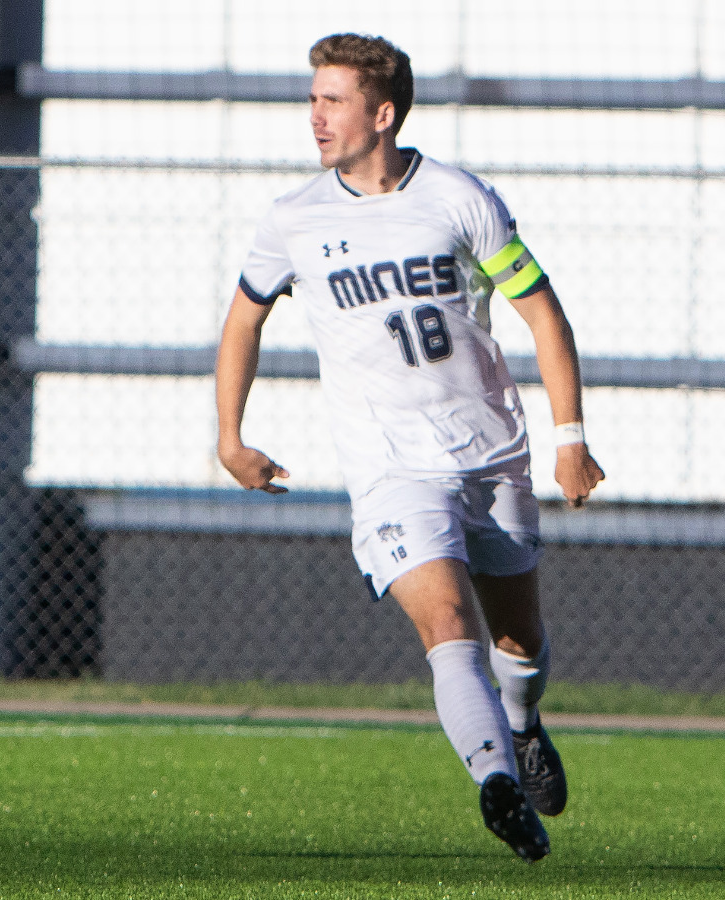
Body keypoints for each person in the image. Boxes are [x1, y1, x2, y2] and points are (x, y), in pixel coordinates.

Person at [214, 33, 605, 863]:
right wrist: (230, 438)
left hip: (492, 457)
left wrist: (571, 440)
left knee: (519, 641)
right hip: (390, 469)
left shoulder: (460, 198)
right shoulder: (293, 219)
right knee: (447, 626)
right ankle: (497, 782)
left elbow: (545, 315)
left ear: (382, 113)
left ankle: (525, 725)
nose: (314, 116)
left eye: (333, 100)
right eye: (312, 98)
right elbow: (244, 317)